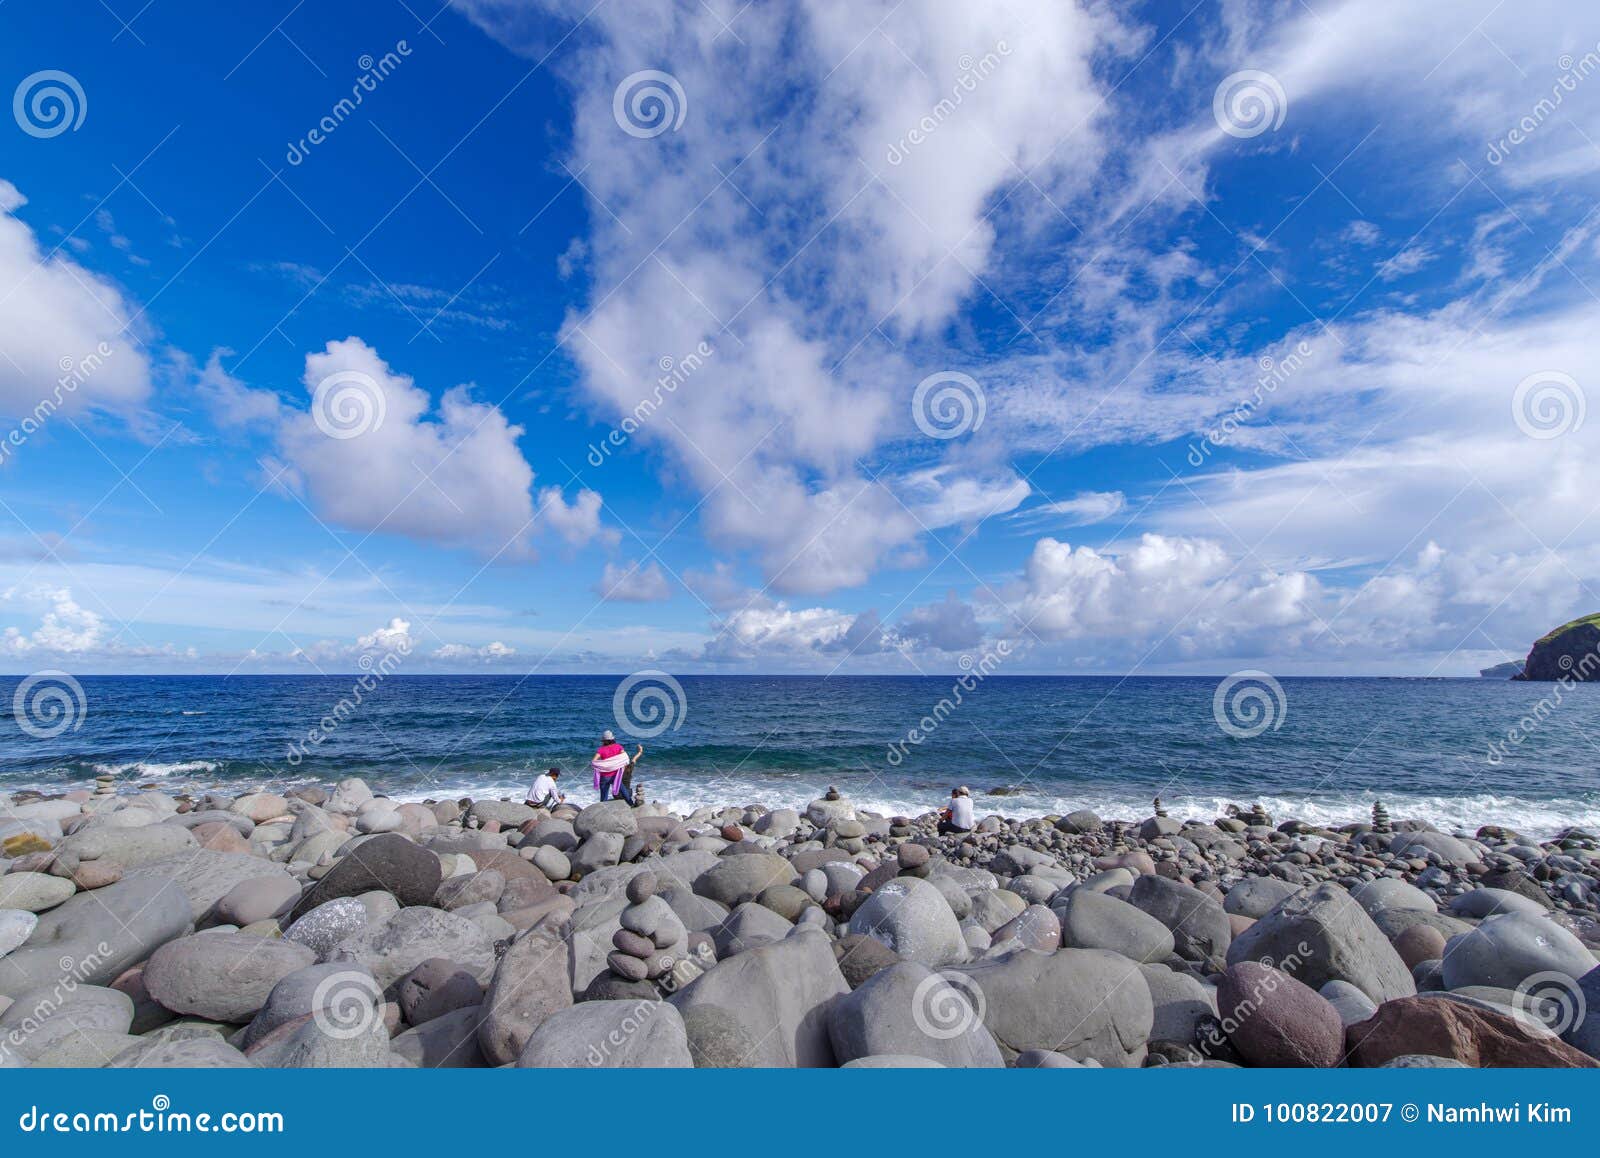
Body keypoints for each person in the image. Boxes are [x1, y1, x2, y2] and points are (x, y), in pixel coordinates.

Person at [591, 731, 643, 804]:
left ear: (604, 740)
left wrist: (602, 765)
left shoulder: (601, 749)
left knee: (603, 797)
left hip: (604, 777)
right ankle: (630, 803)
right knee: (623, 790)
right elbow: (624, 758)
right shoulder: (618, 747)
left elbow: (594, 761)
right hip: (615, 775)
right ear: (612, 739)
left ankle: (604, 811)